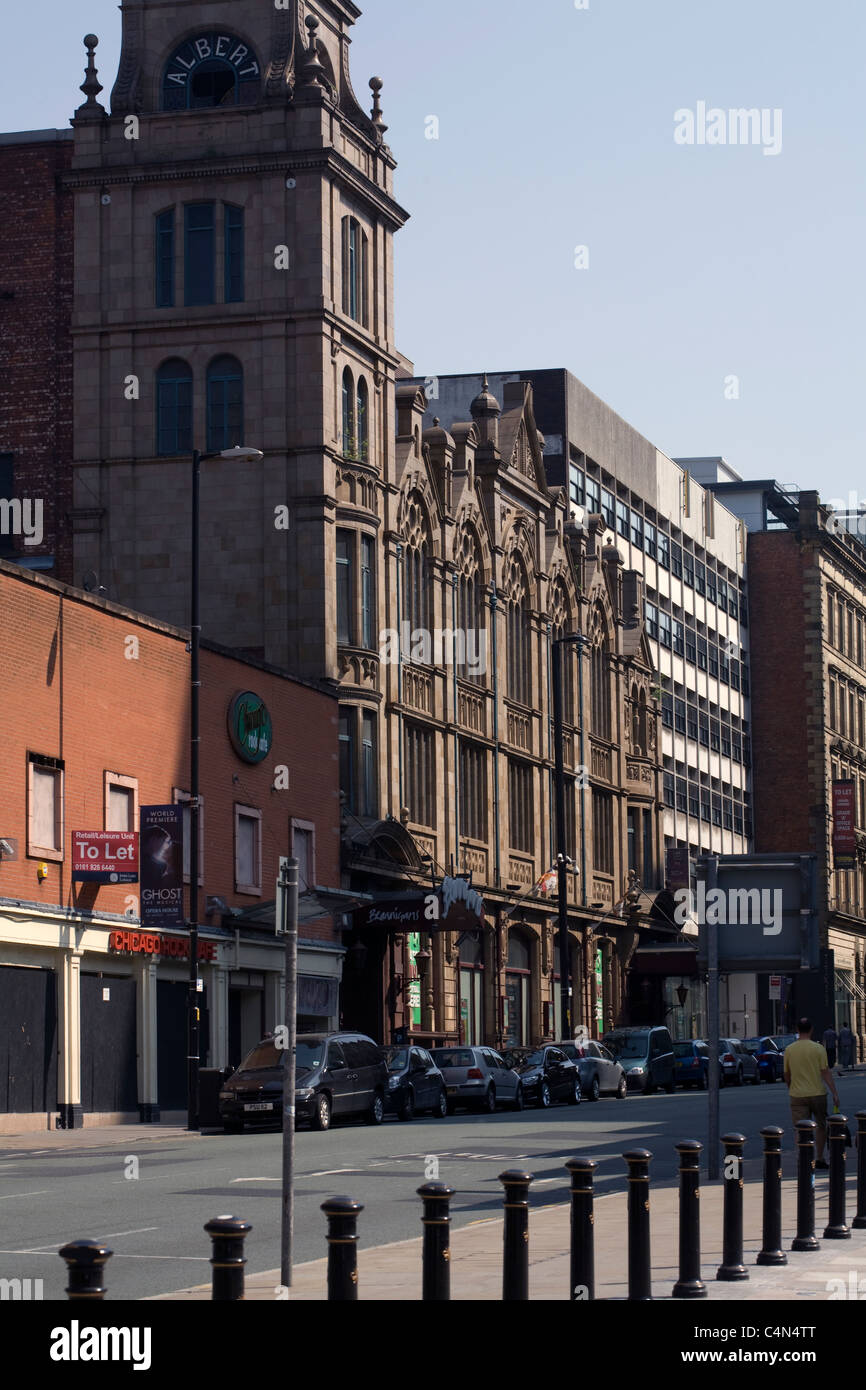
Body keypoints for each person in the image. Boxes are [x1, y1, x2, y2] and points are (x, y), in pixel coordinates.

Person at [785, 1017, 840, 1168]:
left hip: (797, 1094)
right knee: (821, 1126)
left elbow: (787, 1074)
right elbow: (825, 1072)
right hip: (818, 1093)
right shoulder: (819, 1049)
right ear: (811, 1030)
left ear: (797, 1030)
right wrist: (834, 1093)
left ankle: (803, 1158)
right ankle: (820, 1158)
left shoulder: (789, 1050)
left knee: (800, 1128)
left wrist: (790, 1086)